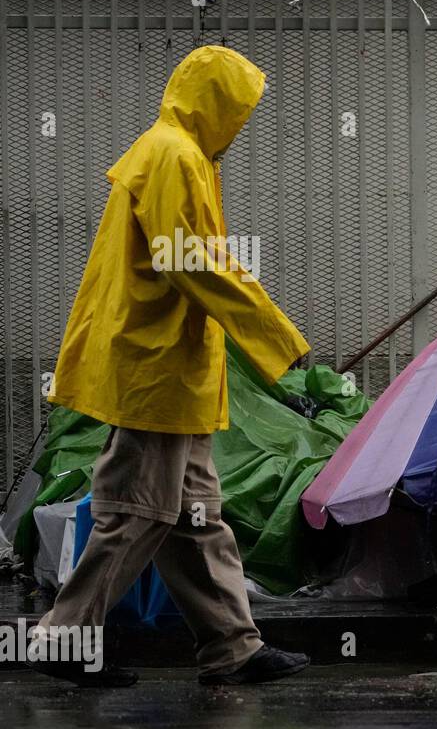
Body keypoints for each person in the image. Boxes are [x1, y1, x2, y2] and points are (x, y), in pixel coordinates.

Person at [30, 45, 311, 688]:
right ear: (213, 102)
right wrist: (274, 335)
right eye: (238, 108)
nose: (241, 123)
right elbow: (192, 261)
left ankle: (232, 647)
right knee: (136, 511)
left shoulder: (183, 154)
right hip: (156, 369)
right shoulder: (175, 154)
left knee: (194, 517)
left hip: (172, 372)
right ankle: (60, 639)